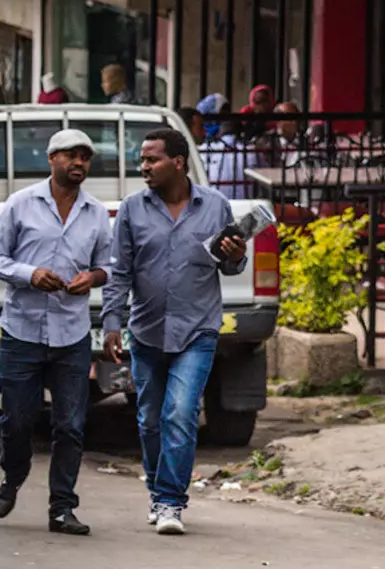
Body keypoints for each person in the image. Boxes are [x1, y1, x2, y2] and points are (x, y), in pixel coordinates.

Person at [100, 129, 247, 535]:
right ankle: (157, 489)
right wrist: (112, 321)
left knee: (179, 414)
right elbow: (120, 272)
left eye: (152, 159)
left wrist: (236, 256)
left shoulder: (215, 206)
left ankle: (170, 502)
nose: (143, 167)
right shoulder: (132, 209)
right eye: (143, 160)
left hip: (198, 329)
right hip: (146, 330)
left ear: (178, 163)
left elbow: (230, 264)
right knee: (149, 419)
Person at [0, 130, 112, 536]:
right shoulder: (20, 204)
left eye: (85, 156)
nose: (79, 162)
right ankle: (11, 480)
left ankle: (62, 507)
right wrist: (31, 275)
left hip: (71, 334)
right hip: (21, 331)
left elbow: (109, 265)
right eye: (71, 155)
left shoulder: (96, 212)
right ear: (52, 159)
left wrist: (92, 277)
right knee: (16, 421)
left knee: (70, 425)